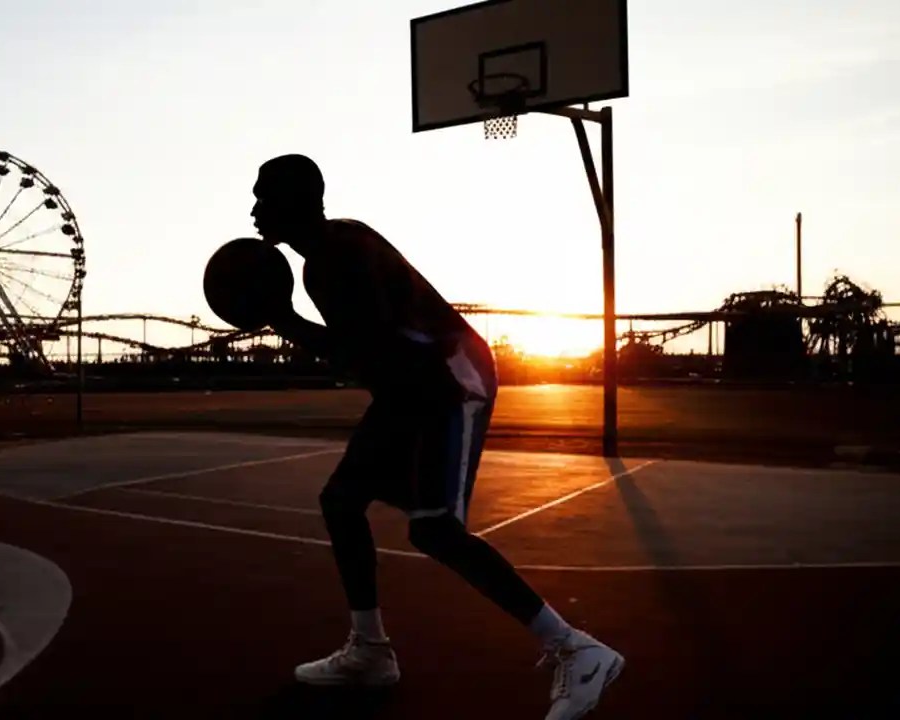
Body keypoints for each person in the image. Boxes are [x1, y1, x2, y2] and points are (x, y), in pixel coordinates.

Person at [250, 154, 624, 720]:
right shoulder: (332, 251)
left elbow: (370, 351)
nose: (254, 209)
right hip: (409, 386)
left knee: (434, 529)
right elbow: (373, 355)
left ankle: (578, 649)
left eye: (263, 196)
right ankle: (370, 651)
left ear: (295, 200)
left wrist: (286, 321)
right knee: (342, 501)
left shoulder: (336, 256)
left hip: (447, 380)